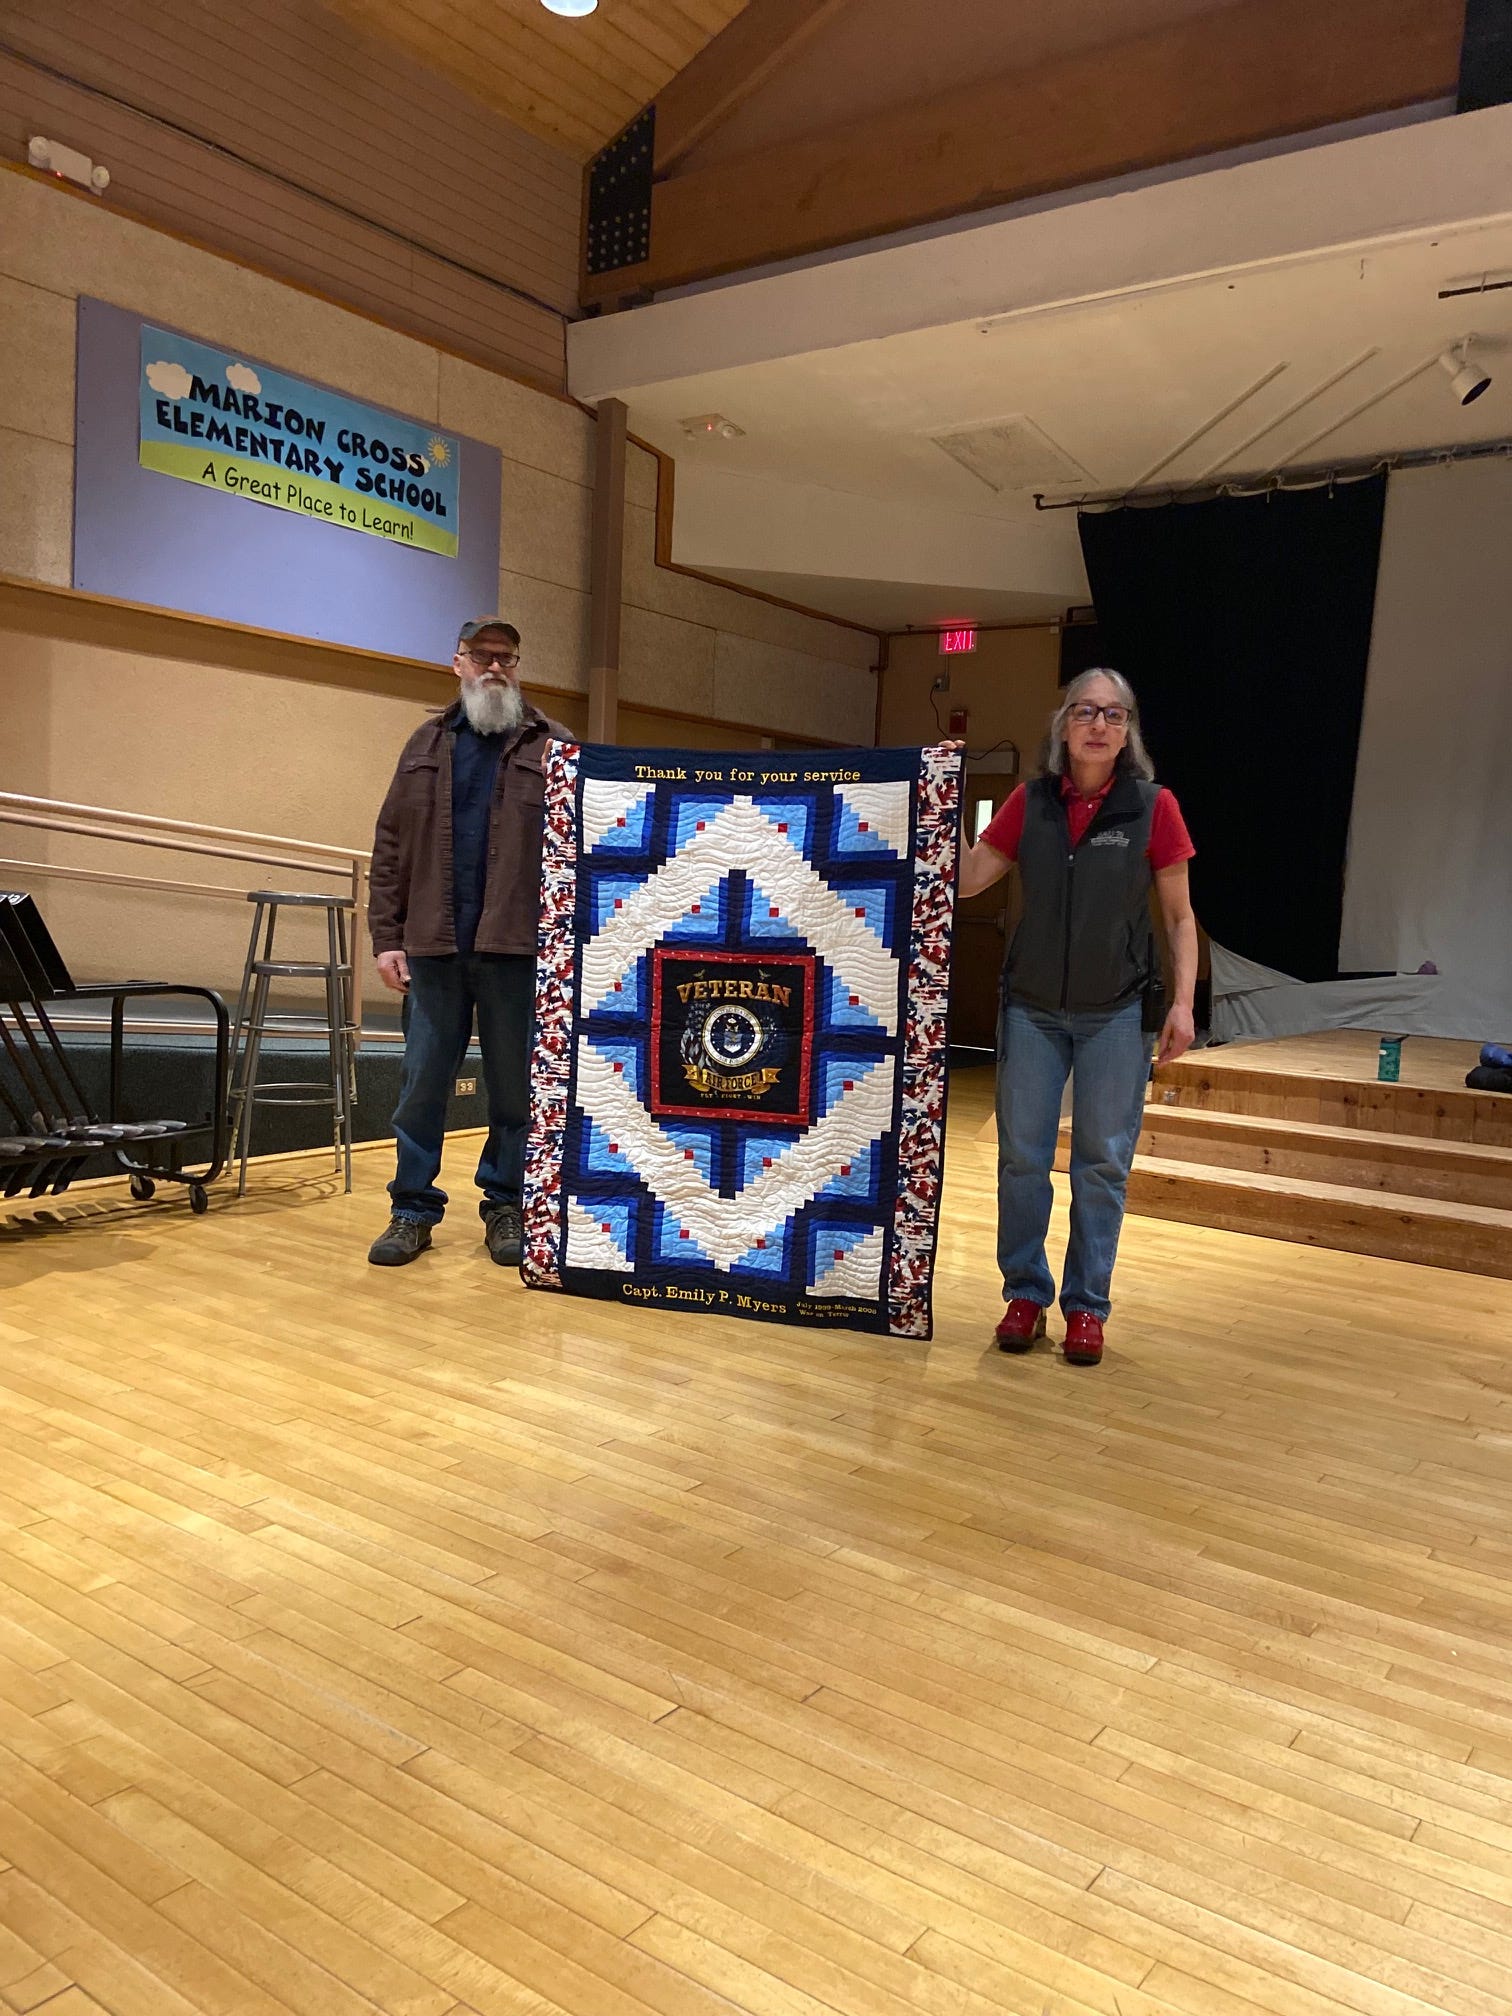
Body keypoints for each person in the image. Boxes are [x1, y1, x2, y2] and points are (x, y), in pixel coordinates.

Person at [957, 668, 1198, 1366]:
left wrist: (1181, 1004)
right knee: (1022, 1161)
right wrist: (927, 814)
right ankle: (1025, 1296)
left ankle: (1087, 1308)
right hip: (1031, 1008)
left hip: (1118, 1012)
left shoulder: (1154, 807)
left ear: (1128, 733)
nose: (1100, 724)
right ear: (1064, 725)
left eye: (1115, 715)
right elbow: (971, 879)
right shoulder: (1028, 803)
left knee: (1101, 1164)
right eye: (1087, 712)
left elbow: (1181, 919)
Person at [365, 617, 566, 1268]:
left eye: (507, 656)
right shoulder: (425, 744)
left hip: (517, 951)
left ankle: (506, 1207)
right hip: (432, 948)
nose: (495, 667)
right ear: (457, 664)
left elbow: (583, 849)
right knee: (422, 1085)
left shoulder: (555, 747)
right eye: (483, 656)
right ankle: (410, 1211)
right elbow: (391, 847)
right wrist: (386, 938)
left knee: (513, 1090)